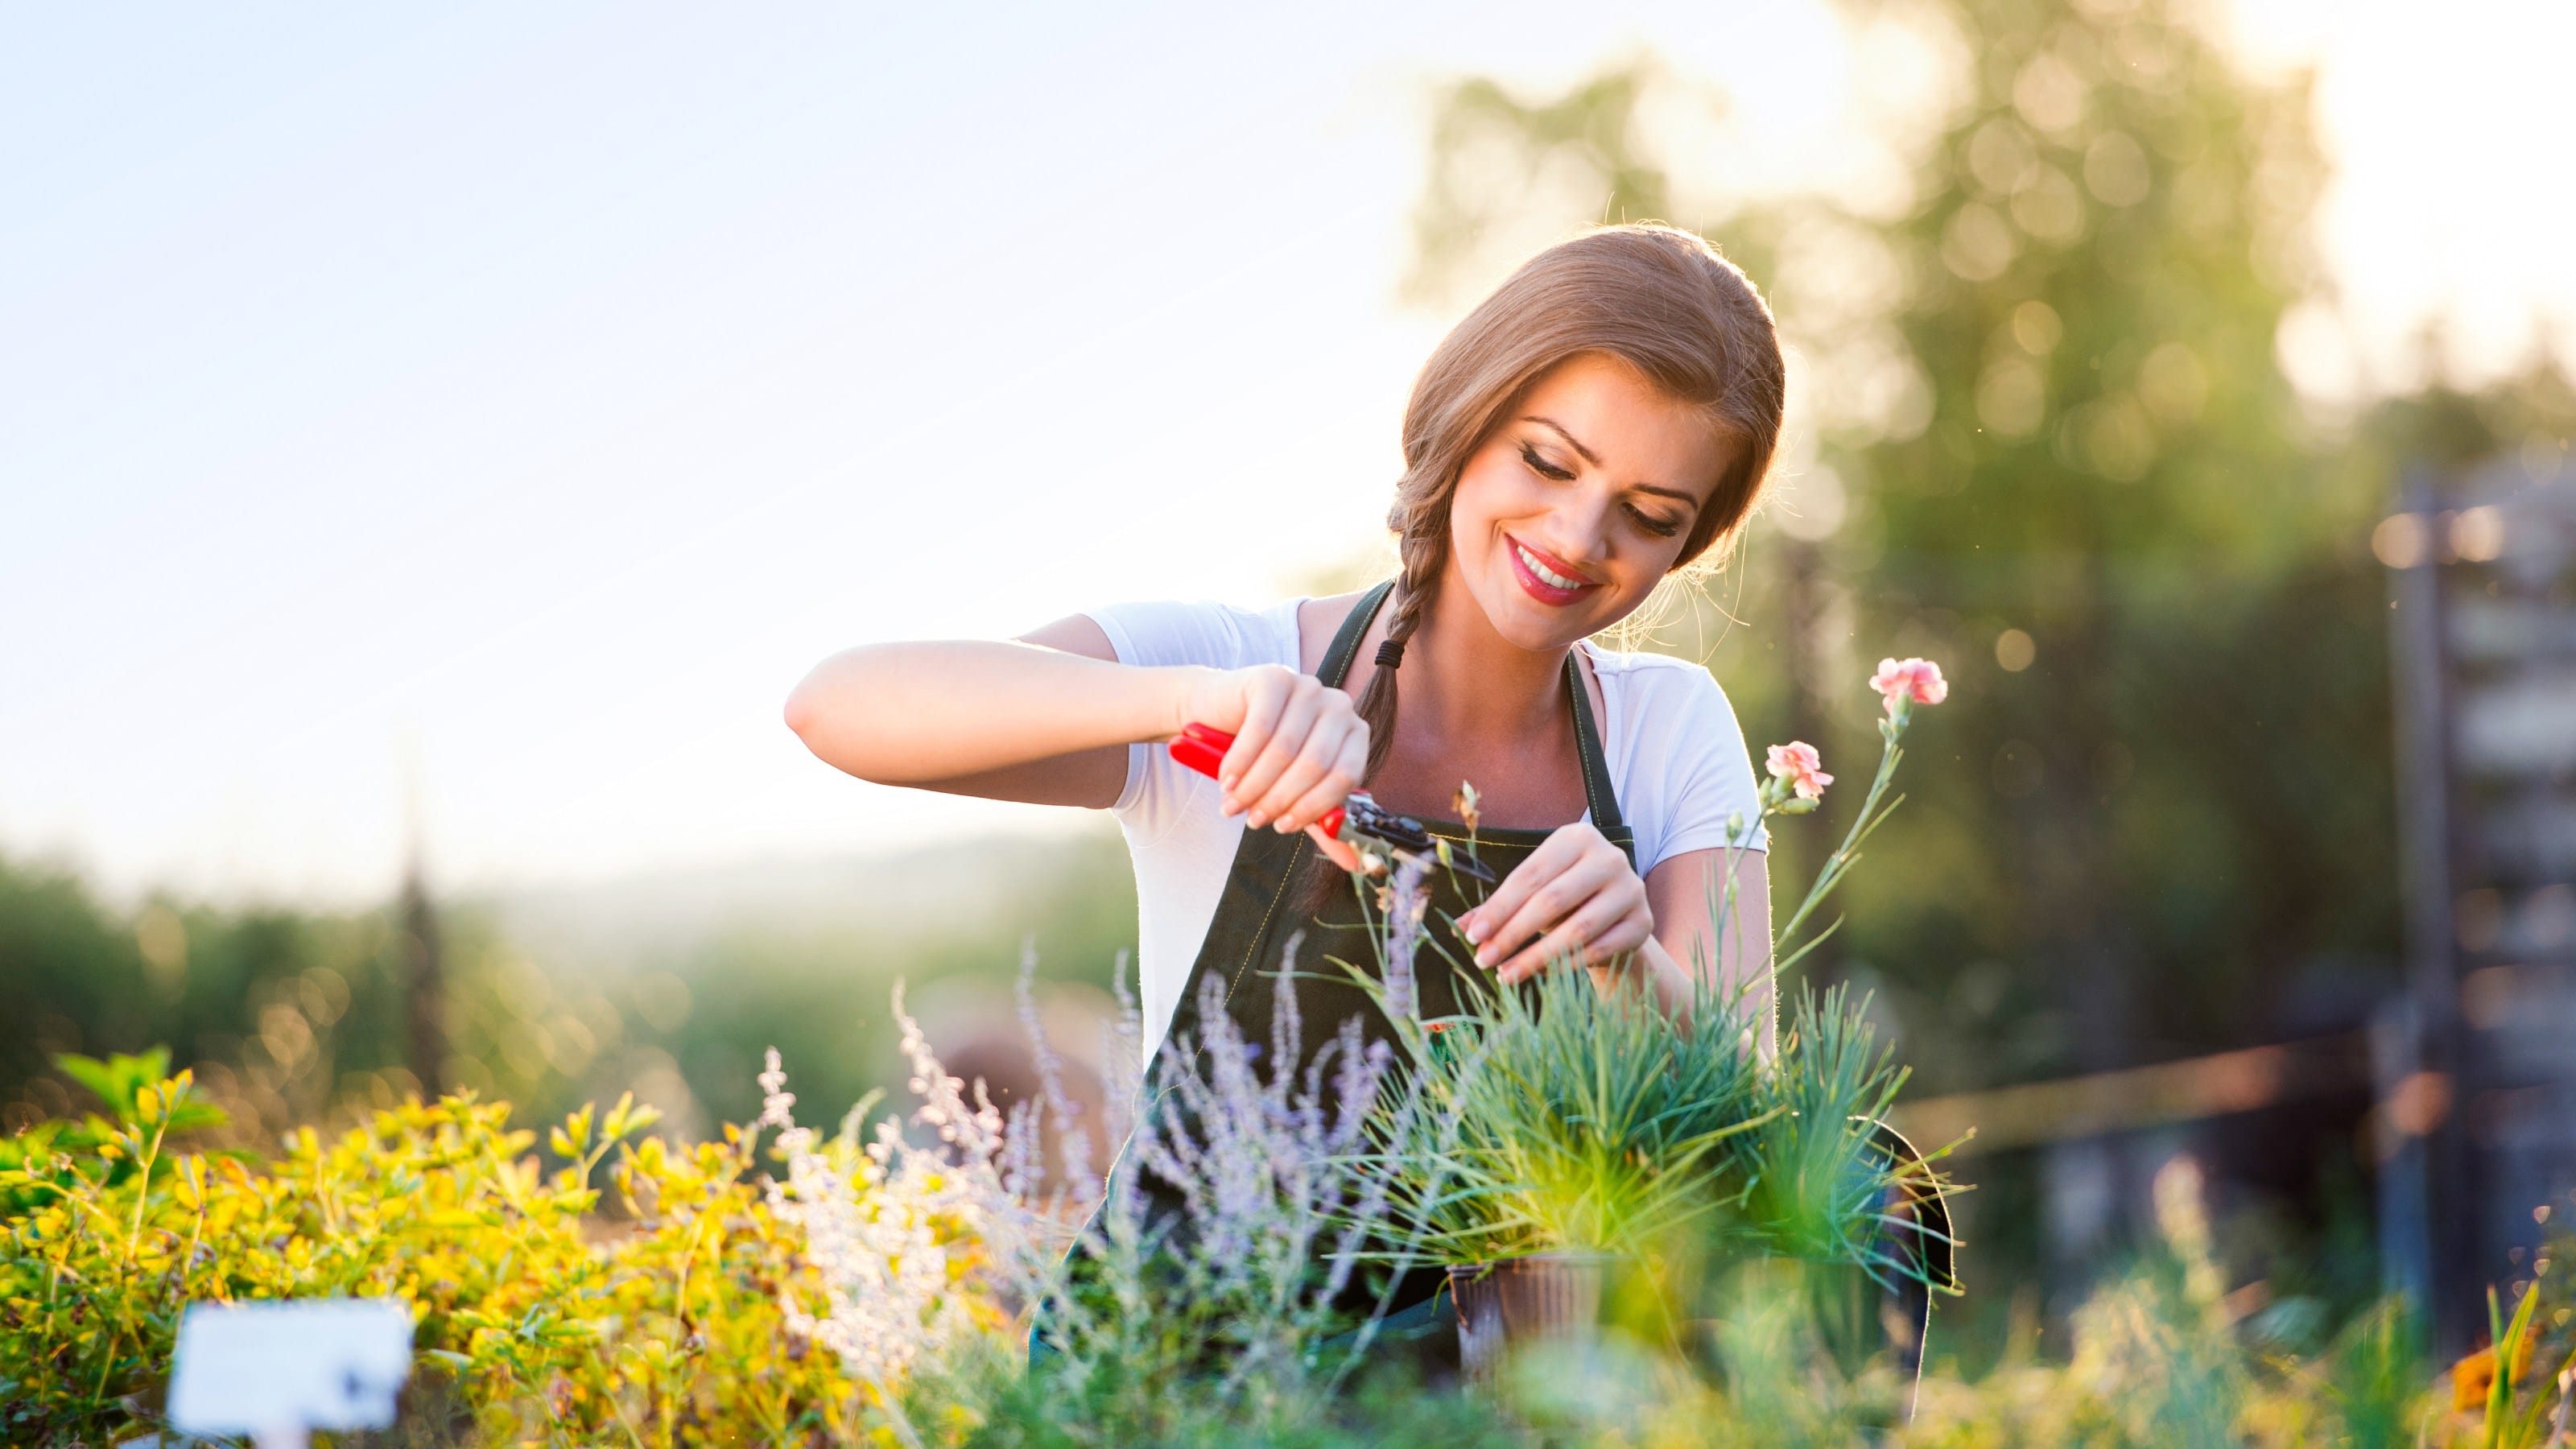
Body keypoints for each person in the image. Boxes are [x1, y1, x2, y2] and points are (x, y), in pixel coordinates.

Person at [785, 222, 1785, 1086]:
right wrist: (1192, 703)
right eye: (1545, 460)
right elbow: (836, 708)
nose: (1575, 536)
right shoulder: (1227, 659)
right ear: (1469, 416)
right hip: (1208, 1313)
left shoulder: (1668, 727)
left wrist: (1631, 968)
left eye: (1648, 516)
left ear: (1684, 544)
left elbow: (1757, 1136)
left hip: (1547, 1318)